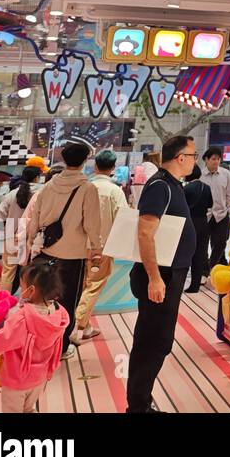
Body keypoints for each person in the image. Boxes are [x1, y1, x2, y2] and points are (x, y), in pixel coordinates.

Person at [126, 136, 199, 413]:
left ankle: (140, 401)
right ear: (180, 157)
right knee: (153, 341)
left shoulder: (172, 185)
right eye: (193, 155)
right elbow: (145, 232)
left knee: (157, 339)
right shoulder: (160, 186)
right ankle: (138, 405)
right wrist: (154, 277)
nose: (195, 160)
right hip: (161, 275)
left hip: (170, 273)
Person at [21, 141, 104, 355]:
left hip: (45, 252)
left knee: (43, 297)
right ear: (86, 161)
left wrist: (33, 244)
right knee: (67, 301)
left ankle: (38, 343)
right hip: (72, 255)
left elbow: (35, 219)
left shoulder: (48, 186)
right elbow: (92, 224)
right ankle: (61, 347)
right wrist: (96, 249)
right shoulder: (87, 188)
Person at [0, 260, 70, 413]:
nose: (21, 291)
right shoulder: (59, 313)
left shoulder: (22, 318)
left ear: (31, 290)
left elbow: (0, 342)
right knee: (28, 409)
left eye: (22, 287)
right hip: (40, 377)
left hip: (17, 378)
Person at [72, 150, 129, 341]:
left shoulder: (84, 187)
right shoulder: (115, 191)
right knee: (93, 285)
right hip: (102, 246)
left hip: (78, 246)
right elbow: (124, 218)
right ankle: (77, 325)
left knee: (81, 285)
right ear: (113, 169)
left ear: (95, 166)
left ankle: (85, 326)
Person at [0, 165, 42, 293]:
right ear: (37, 177)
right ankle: (26, 303)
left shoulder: (11, 194)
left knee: (7, 272)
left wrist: (5, 233)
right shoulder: (43, 193)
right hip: (33, 239)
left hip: (11, 236)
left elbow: (0, 217)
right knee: (29, 273)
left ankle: (3, 301)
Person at [202, 147, 230, 268]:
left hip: (221, 214)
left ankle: (211, 266)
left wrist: (228, 208)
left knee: (221, 243)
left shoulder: (225, 174)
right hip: (205, 215)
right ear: (206, 160)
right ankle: (211, 267)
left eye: (218, 159)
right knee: (202, 244)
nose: (216, 161)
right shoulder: (200, 175)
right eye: (213, 159)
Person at [183, 163, 213, 293]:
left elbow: (183, 206)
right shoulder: (206, 187)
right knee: (200, 253)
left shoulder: (186, 189)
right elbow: (210, 204)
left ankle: (180, 283)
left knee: (186, 253)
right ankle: (195, 285)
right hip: (203, 223)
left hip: (190, 222)